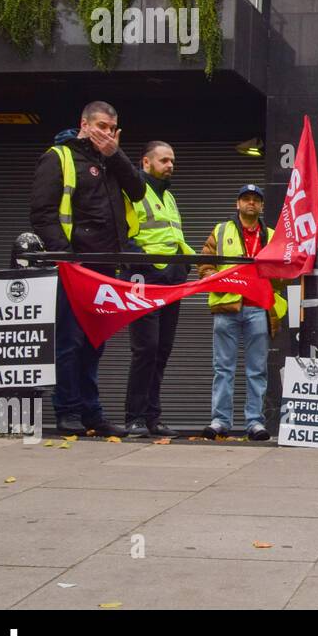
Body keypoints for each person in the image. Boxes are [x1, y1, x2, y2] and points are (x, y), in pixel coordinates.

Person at [29, 101, 145, 438]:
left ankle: (92, 412)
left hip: (107, 267)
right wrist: (67, 257)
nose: (107, 133)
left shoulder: (109, 161)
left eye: (112, 128)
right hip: (74, 268)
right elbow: (42, 213)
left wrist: (116, 154)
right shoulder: (59, 157)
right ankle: (67, 411)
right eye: (102, 126)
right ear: (84, 123)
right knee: (70, 342)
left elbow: (138, 191)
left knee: (95, 342)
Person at [199, 185, 288, 441]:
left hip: (258, 308)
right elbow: (205, 263)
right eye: (246, 199)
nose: (251, 203)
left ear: (261, 206)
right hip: (226, 308)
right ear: (238, 204)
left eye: (255, 200)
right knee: (223, 368)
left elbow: (281, 274)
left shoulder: (271, 236)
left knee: (257, 369)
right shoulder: (221, 230)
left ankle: (254, 423)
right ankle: (219, 421)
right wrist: (215, 279)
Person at [124, 140, 194, 438]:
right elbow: (125, 237)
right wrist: (148, 267)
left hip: (172, 281)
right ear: (146, 162)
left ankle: (152, 416)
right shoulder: (133, 193)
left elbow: (174, 238)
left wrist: (187, 264)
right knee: (146, 349)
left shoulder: (169, 197)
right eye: (164, 160)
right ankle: (134, 417)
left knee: (162, 350)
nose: (170, 166)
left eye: (172, 161)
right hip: (145, 281)